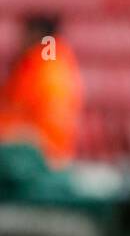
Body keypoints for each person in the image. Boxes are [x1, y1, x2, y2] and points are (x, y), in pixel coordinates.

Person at [0, 14, 83, 165]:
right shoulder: (55, 62)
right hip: (51, 147)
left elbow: (20, 109)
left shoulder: (42, 67)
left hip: (42, 149)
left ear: (36, 33)